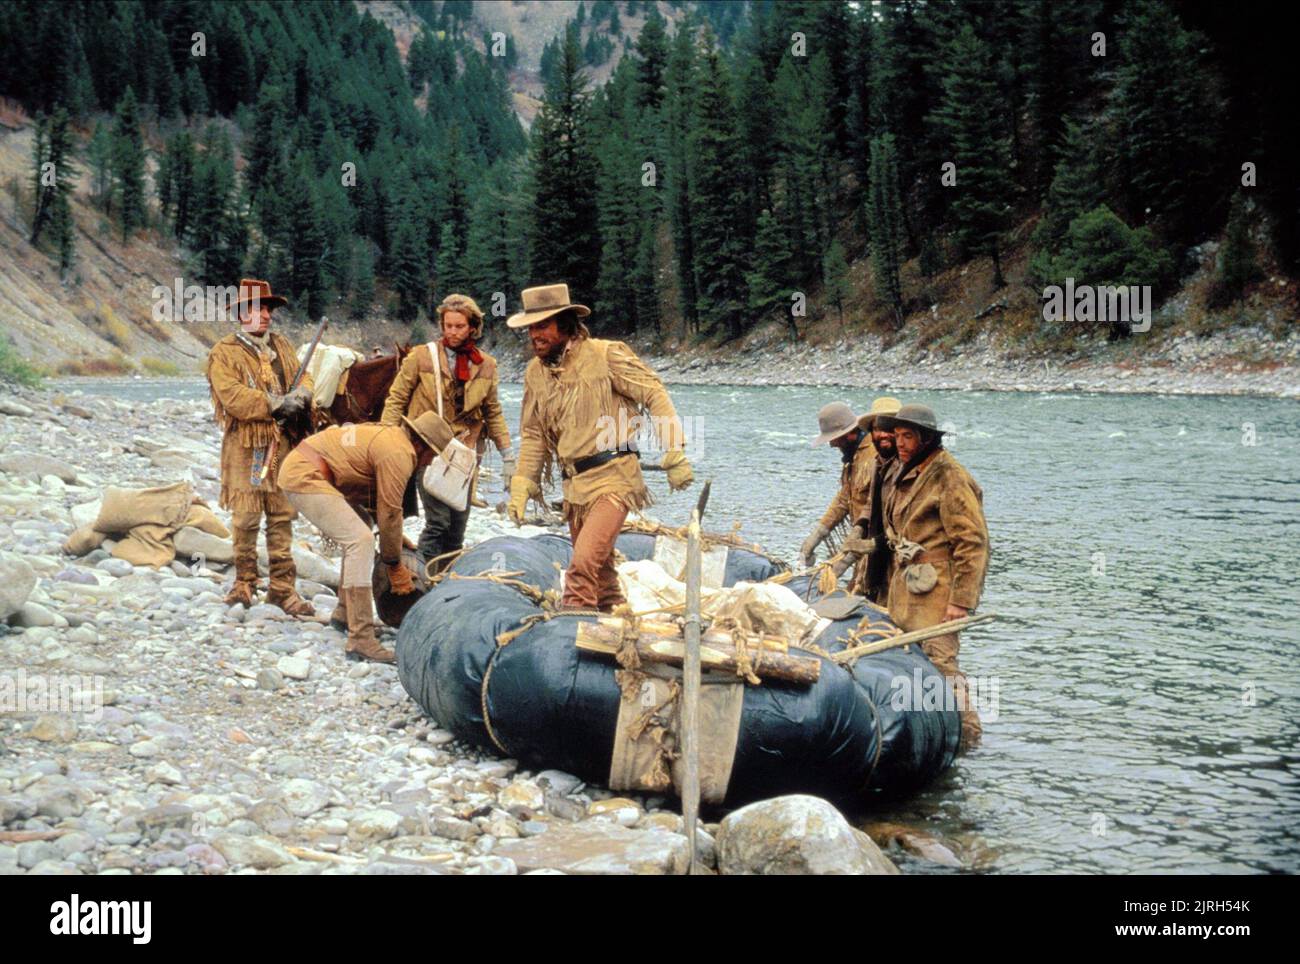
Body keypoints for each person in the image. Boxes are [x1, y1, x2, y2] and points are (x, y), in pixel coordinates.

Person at [506, 283, 693, 611]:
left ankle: (566, 636)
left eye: (543, 326)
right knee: (602, 573)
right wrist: (523, 483)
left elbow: (653, 393)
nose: (535, 334)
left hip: (614, 477)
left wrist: (674, 450)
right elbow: (534, 434)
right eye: (531, 328)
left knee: (581, 567)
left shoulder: (607, 355)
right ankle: (613, 627)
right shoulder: (535, 373)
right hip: (574, 487)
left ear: (565, 324)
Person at [277, 412, 452, 663]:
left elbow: (382, 509)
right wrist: (394, 565)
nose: (430, 461)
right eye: (433, 454)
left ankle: (345, 611)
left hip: (307, 466)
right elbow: (391, 511)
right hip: (304, 475)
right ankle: (361, 638)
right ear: (421, 445)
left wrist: (394, 536)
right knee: (360, 540)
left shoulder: (393, 439)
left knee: (361, 524)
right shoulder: (400, 454)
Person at [878, 403, 989, 751]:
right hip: (909, 585)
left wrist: (960, 601)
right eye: (897, 436)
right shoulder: (905, 470)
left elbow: (972, 542)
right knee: (909, 660)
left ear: (926, 438)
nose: (900, 443)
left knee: (941, 665)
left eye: (908, 436)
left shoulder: (948, 475)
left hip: (939, 590)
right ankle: (926, 736)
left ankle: (969, 738)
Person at [204, 279, 316, 615]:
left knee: (282, 516)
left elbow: (305, 377)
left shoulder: (282, 346)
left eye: (268, 309)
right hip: (245, 445)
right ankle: (244, 583)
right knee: (246, 517)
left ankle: (283, 589)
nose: (265, 315)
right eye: (257, 309)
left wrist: (302, 396)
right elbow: (233, 397)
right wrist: (276, 404)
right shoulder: (223, 353)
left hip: (283, 445)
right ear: (241, 313)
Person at [380, 294, 512, 569]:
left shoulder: (486, 364)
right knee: (438, 522)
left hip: (464, 454)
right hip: (428, 447)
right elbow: (397, 399)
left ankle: (447, 583)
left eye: (459, 326)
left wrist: (507, 454)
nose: (452, 332)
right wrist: (385, 439)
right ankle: (421, 579)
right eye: (448, 325)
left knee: (457, 528)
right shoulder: (420, 356)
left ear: (472, 327)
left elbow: (493, 410)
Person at [799, 397, 901, 585]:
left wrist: (845, 559)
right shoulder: (854, 456)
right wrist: (816, 536)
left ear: (849, 434)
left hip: (883, 550)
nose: (832, 444)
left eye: (833, 439)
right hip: (863, 547)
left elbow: (881, 511)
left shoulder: (875, 455)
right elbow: (844, 498)